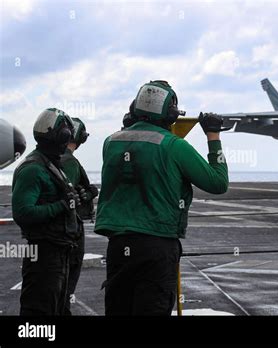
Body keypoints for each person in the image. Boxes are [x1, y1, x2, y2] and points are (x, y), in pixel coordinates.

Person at [95, 80, 229, 315]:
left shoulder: (111, 142)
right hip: (156, 246)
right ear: (171, 113)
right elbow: (217, 183)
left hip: (118, 245)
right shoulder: (173, 146)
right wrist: (213, 135)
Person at [12, 108, 81, 315]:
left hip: (58, 252)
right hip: (44, 255)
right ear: (62, 137)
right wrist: (61, 206)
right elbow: (23, 213)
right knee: (39, 311)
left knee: (57, 309)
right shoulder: (34, 169)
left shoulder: (50, 164)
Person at [60, 117, 99, 315]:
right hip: (69, 232)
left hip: (57, 232)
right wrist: (89, 193)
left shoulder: (51, 158)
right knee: (65, 289)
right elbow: (69, 197)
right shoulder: (69, 161)